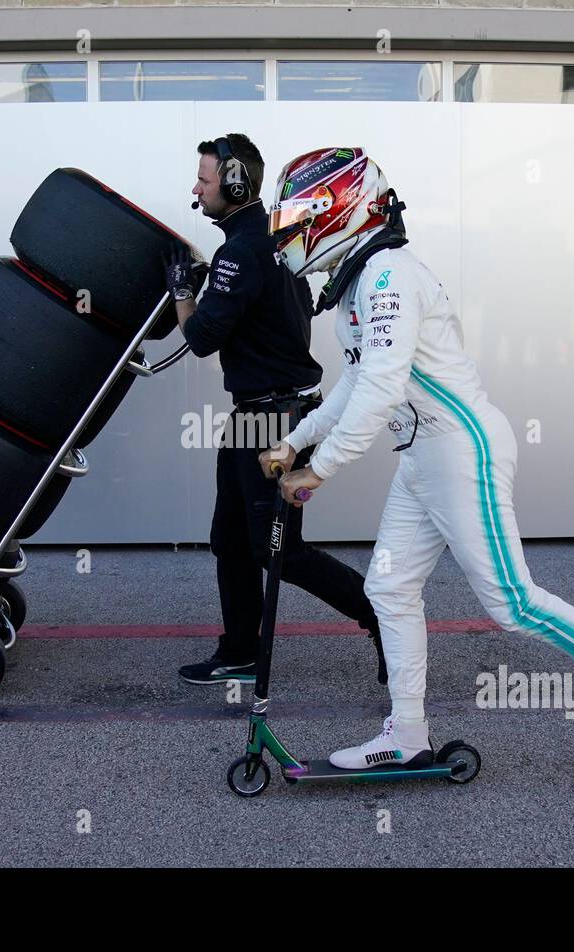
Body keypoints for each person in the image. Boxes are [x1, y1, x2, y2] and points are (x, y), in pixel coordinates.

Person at [258, 146, 574, 765]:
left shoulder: (388, 275)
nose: (289, 241)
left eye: (296, 225)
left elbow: (381, 386)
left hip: (461, 449)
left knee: (512, 602)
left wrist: (318, 467)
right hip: (423, 457)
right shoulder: (357, 285)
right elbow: (355, 381)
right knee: (390, 587)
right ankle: (406, 737)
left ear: (337, 211)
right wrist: (297, 440)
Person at [161, 134, 385, 686]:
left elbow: (205, 337)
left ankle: (384, 619)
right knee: (231, 540)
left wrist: (181, 292)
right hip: (261, 415)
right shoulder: (276, 239)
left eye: (204, 178)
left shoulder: (239, 250)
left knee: (277, 548)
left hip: (272, 419)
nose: (196, 188)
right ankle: (238, 651)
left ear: (234, 183)